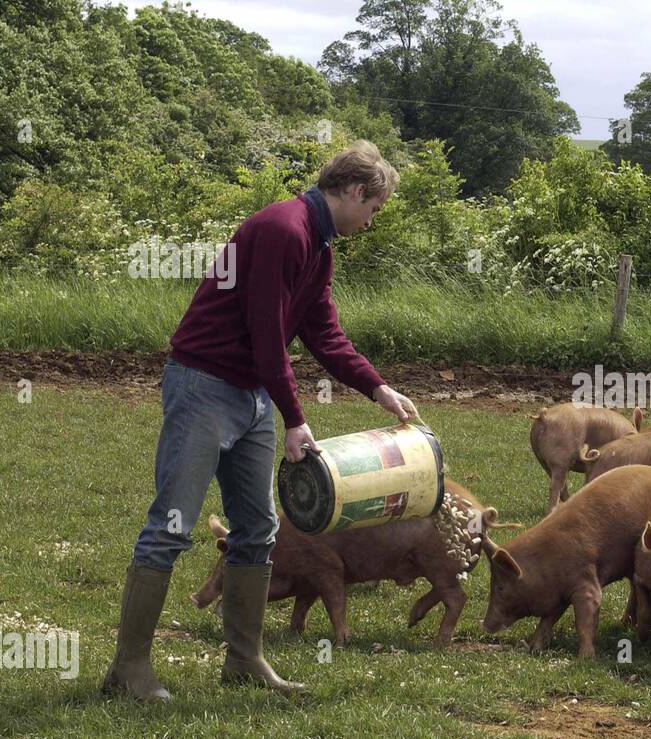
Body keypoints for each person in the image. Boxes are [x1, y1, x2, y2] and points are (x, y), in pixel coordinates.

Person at [102, 140, 419, 701]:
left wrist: (378, 387)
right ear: (352, 191)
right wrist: (295, 419)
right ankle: (128, 672)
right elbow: (266, 332)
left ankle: (244, 660)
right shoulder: (282, 229)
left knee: (259, 529)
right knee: (171, 525)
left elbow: (323, 335)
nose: (371, 222)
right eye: (373, 209)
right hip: (203, 386)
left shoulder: (318, 248)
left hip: (249, 395)